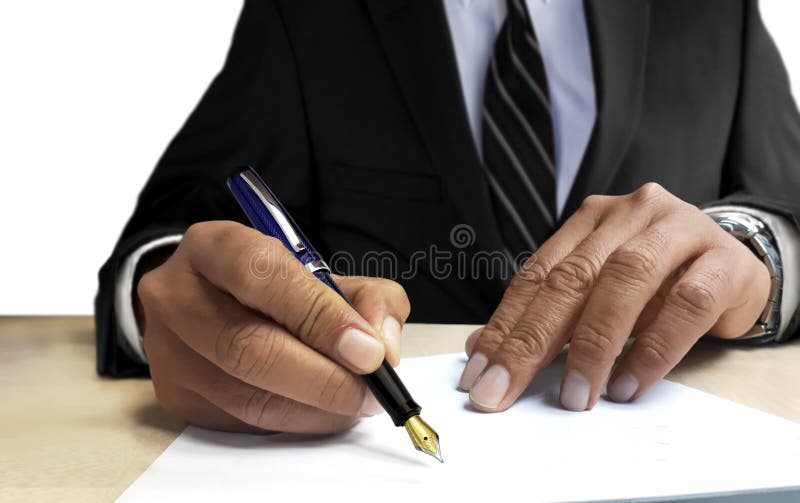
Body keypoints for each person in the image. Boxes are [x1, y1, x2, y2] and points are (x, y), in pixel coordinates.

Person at [96, 0, 800, 433]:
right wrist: (165, 300)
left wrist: (755, 256)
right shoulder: (308, 13)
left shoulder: (715, 7)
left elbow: (787, 209)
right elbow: (175, 235)